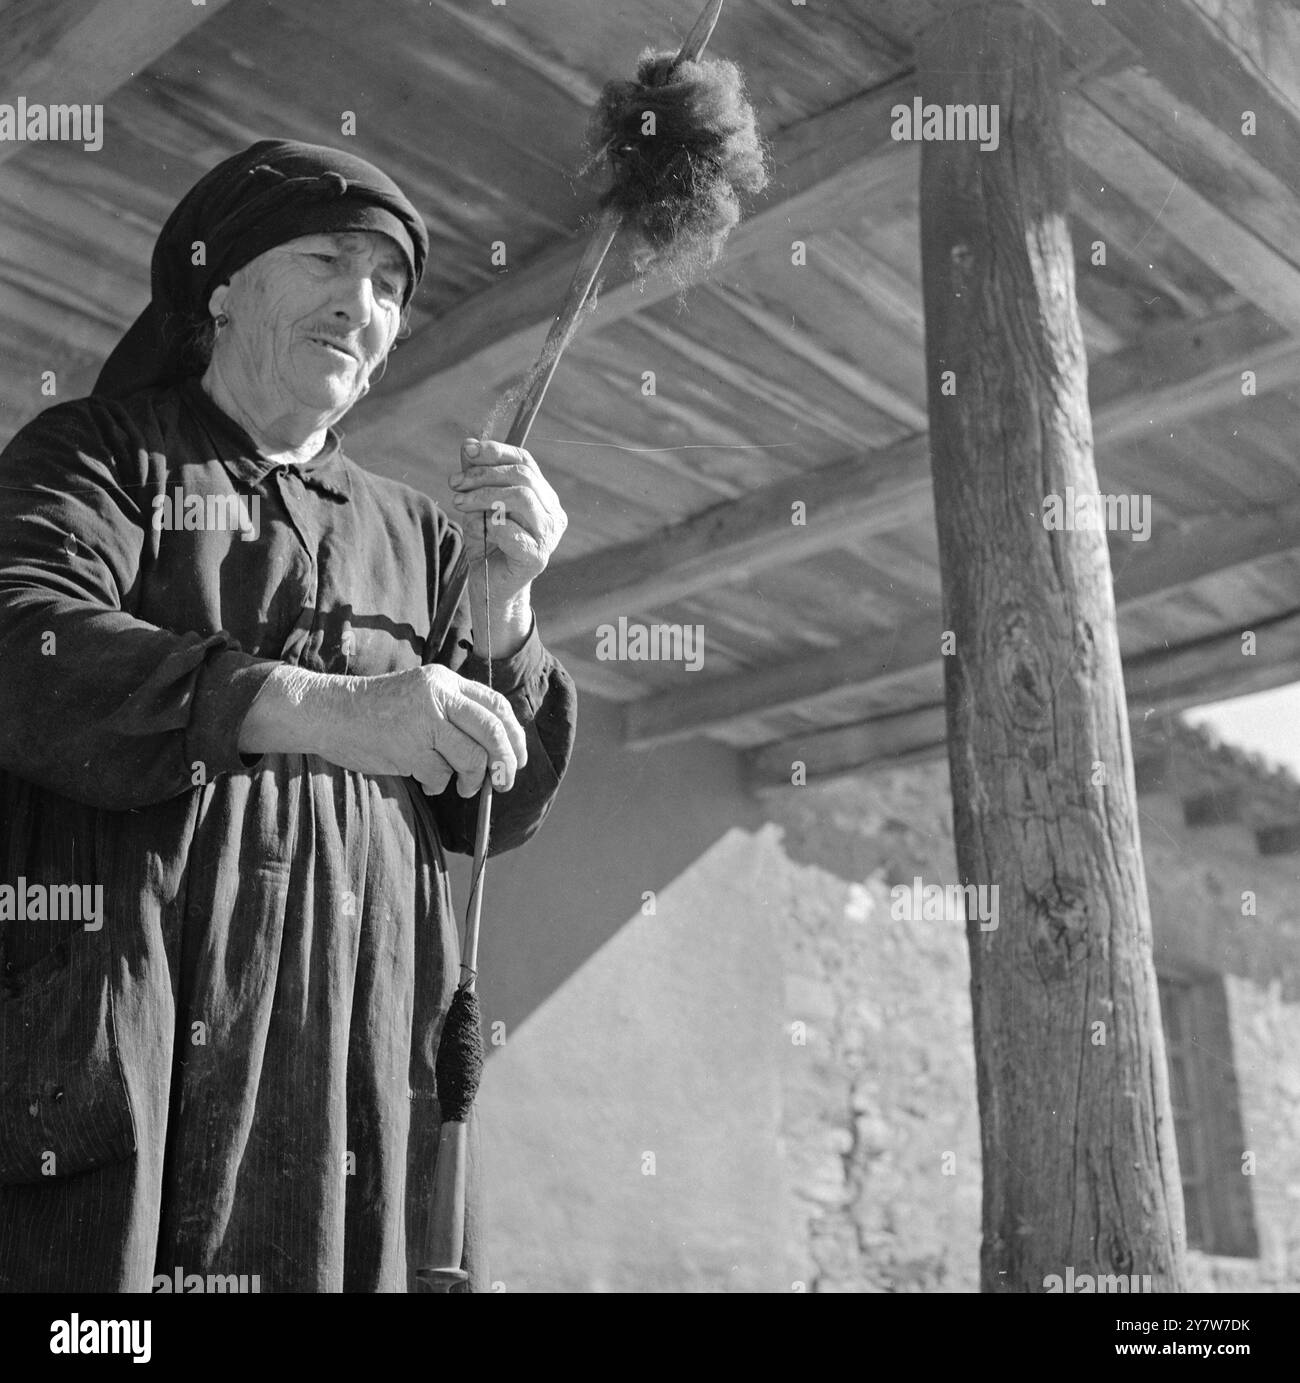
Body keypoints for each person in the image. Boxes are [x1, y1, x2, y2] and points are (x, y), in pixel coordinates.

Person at [0, 140, 576, 1292]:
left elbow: (489, 813)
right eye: (327, 260)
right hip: (122, 1027)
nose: (361, 305)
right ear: (222, 290)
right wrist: (318, 708)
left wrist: (505, 615)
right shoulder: (98, 458)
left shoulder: (419, 538)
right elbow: (24, 644)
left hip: (344, 1071)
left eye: (389, 288)